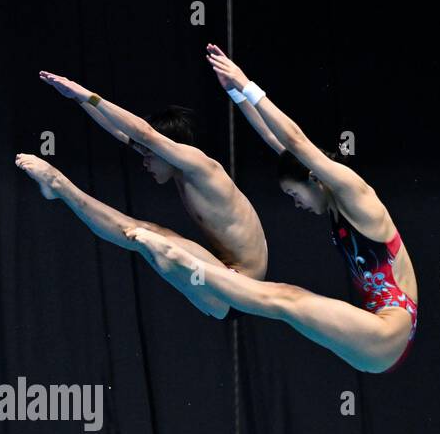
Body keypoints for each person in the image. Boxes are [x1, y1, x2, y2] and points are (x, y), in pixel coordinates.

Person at [122, 44, 419, 374]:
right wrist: (237, 95)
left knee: (284, 299)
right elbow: (276, 142)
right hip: (376, 336)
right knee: (286, 303)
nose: (297, 204)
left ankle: (186, 261)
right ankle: (193, 268)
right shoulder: (332, 198)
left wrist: (248, 84)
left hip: (390, 329)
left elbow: (296, 142)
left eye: (295, 195)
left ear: (314, 178)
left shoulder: (355, 192)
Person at [15, 70, 268, 318]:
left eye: (148, 155)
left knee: (150, 235)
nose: (144, 163)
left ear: (168, 147)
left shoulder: (201, 166)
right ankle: (59, 188)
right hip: (221, 285)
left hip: (241, 290)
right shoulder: (176, 166)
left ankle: (59, 184)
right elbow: (124, 133)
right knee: (141, 234)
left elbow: (143, 133)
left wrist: (88, 94)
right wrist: (76, 97)